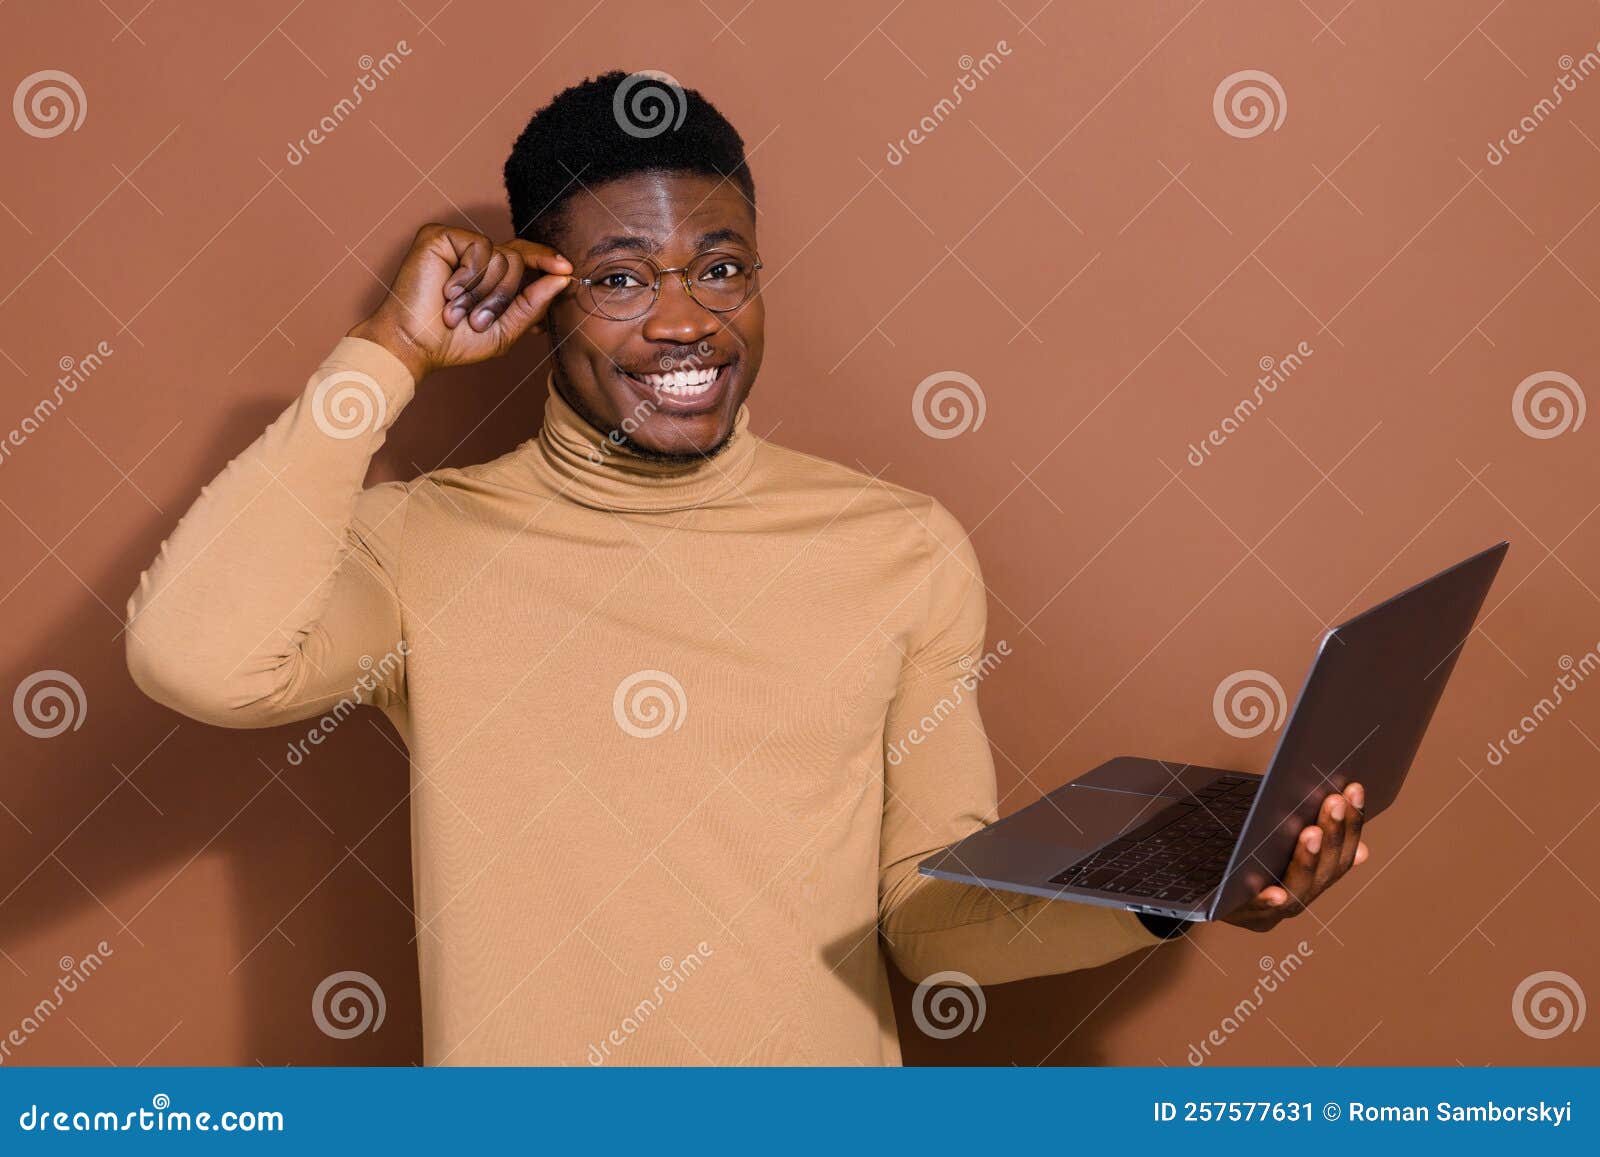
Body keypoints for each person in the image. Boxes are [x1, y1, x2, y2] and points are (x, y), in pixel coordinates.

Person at [124, 71, 1368, 1065]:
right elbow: (198, 660)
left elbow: (931, 926)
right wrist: (386, 353)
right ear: (540, 297)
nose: (684, 322)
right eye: (619, 280)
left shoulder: (898, 546)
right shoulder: (420, 541)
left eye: (720, 268)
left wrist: (1171, 885)